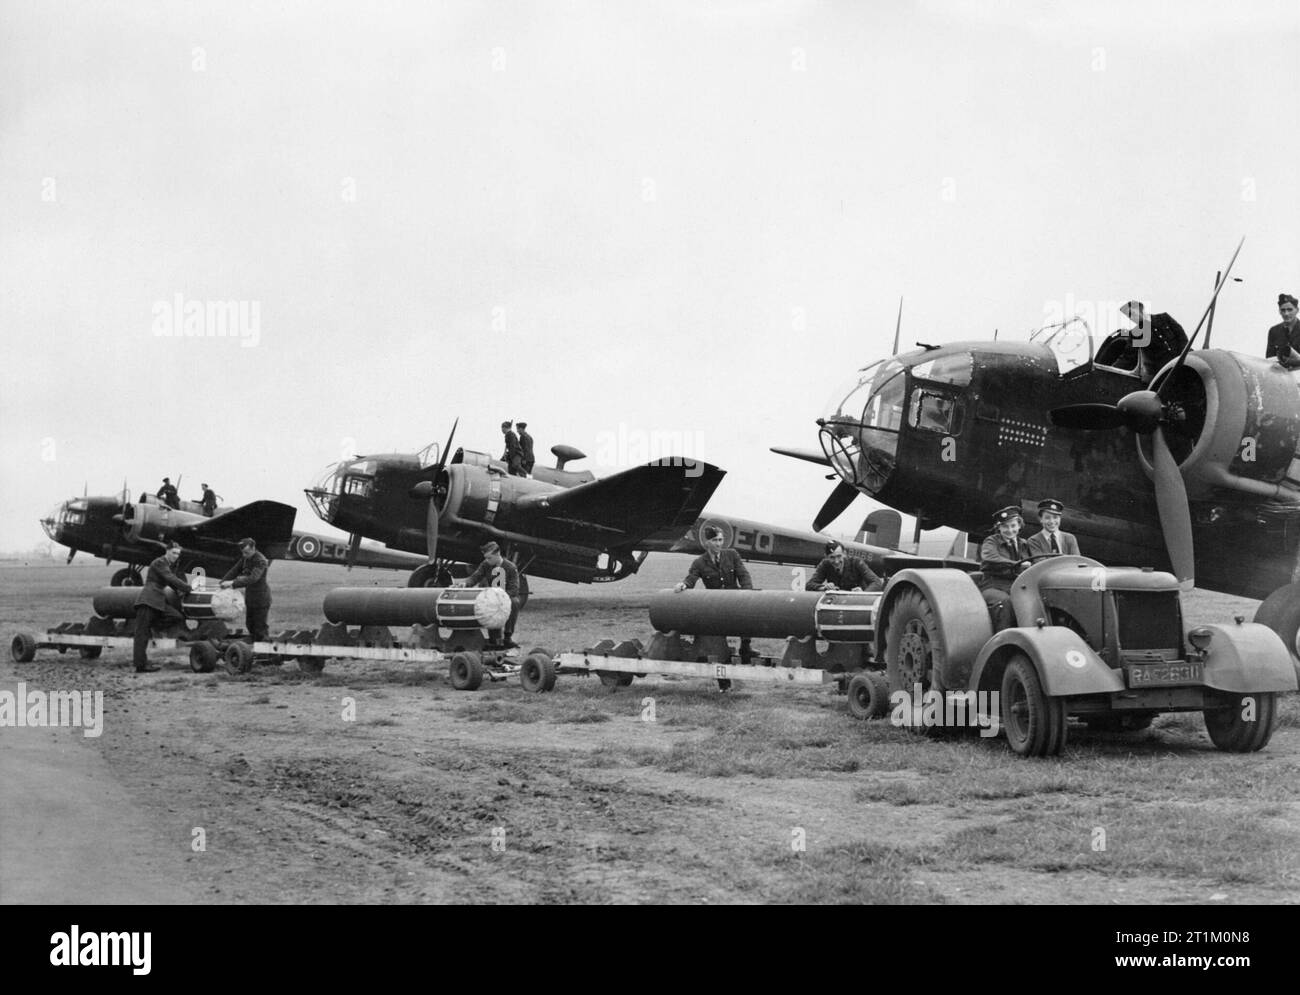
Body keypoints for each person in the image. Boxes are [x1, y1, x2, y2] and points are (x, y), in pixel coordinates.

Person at [674, 525, 754, 678]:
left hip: (735, 600)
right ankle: (723, 668)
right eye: (715, 540)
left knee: (747, 617)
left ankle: (745, 647)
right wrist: (683, 585)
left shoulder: (732, 555)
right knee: (717, 638)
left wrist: (747, 593)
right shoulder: (699, 562)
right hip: (716, 605)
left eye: (721, 540)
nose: (719, 544)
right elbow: (691, 579)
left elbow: (744, 575)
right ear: (707, 542)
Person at [133, 540, 192, 672]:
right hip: (148, 600)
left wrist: (182, 592)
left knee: (176, 616)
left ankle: (155, 627)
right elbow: (170, 578)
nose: (176, 556)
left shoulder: (167, 565)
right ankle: (140, 666)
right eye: (174, 553)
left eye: (178, 554)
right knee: (141, 635)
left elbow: (171, 583)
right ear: (167, 551)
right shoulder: (160, 562)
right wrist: (187, 587)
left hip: (157, 601)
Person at [1095, 301, 1187, 378]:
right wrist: (1108, 371)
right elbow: (1127, 357)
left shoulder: (1164, 318)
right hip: (1164, 373)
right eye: (1129, 316)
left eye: (1132, 313)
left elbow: (1181, 337)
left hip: (1183, 362)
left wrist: (1184, 356)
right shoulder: (1136, 334)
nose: (1131, 318)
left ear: (1140, 309)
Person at [458, 540, 521, 648]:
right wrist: (464, 584)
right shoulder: (486, 564)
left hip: (505, 598)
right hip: (491, 599)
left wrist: (500, 597)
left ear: (498, 554)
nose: (487, 560)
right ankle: (494, 638)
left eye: (489, 558)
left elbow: (514, 589)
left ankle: (507, 636)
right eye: (486, 558)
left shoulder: (510, 567)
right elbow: (475, 577)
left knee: (515, 602)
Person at [979, 506, 1030, 632]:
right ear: (999, 527)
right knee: (1005, 602)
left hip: (1016, 585)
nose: (1010, 530)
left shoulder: (1024, 544)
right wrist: (1017, 564)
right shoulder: (991, 541)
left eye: (1013, 526)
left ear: (1019, 525)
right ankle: (1001, 642)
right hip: (992, 585)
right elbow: (990, 557)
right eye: (1005, 526)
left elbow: (1035, 561)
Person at [220, 537, 271, 642]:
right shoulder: (245, 558)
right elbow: (234, 571)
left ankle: (264, 647)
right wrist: (221, 583)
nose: (244, 555)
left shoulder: (260, 560)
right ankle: (252, 642)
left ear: (253, 548)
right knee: (250, 623)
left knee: (260, 626)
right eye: (242, 553)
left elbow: (253, 578)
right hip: (251, 597)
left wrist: (233, 583)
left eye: (246, 552)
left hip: (261, 598)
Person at [806, 540, 881, 592]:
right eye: (832, 557)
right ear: (826, 557)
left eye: (839, 556)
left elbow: (877, 582)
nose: (836, 561)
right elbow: (809, 585)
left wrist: (863, 593)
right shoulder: (825, 564)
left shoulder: (856, 562)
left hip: (858, 601)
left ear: (844, 553)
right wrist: (824, 588)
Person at [1265, 293, 1300, 370]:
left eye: (1290, 310)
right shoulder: (1274, 331)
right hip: (1281, 376)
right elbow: (1269, 359)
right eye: (1283, 310)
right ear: (1279, 311)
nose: (1286, 313)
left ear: (1297, 310)